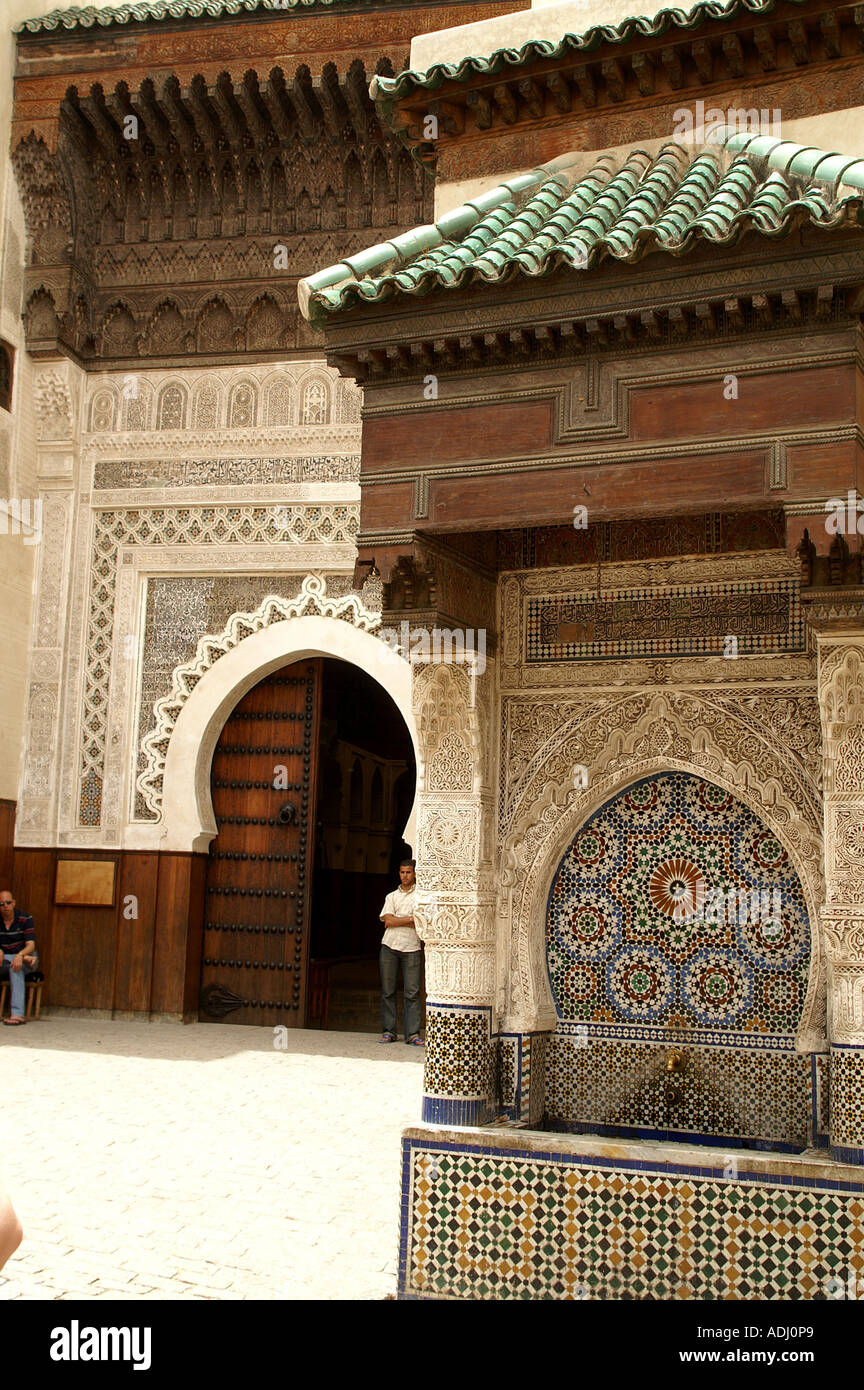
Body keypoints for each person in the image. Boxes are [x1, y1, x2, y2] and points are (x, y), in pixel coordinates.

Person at [378, 859, 423, 1046]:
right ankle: (389, 1031)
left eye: (409, 872)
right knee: (388, 991)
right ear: (399, 873)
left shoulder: (420, 897)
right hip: (389, 946)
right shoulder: (391, 897)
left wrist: (398, 919)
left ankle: (413, 1034)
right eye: (402, 872)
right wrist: (409, 919)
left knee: (412, 992)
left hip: (411, 947)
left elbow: (420, 921)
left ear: (414, 874)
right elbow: (387, 921)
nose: (405, 876)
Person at [0, 891, 37, 1026]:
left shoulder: (25, 918)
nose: (5, 906)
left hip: (24, 956)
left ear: (13, 903)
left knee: (16, 966)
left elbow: (31, 946)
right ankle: (22, 958)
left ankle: (17, 1014)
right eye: (1, 904)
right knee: (12, 962)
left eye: (8, 902)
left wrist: (21, 955)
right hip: (4, 959)